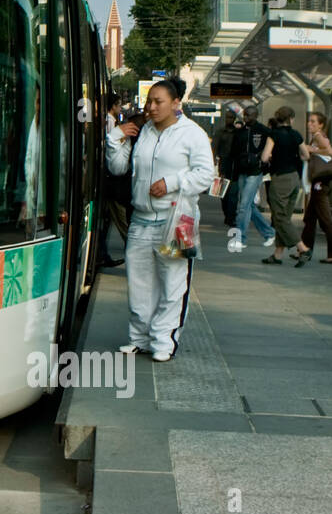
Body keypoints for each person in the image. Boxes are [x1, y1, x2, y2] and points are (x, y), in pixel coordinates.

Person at [106, 76, 214, 362]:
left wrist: (173, 182)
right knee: (139, 282)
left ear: (176, 103)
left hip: (178, 219)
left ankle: (164, 340)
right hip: (141, 219)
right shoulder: (143, 132)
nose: (151, 107)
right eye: (149, 102)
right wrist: (116, 138)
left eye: (158, 102)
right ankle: (139, 337)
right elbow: (117, 168)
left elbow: (206, 175)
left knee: (173, 283)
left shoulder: (192, 134)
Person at [291, 111, 332, 265]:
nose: (310, 124)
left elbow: (329, 151)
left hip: (320, 184)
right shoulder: (315, 137)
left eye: (314, 122)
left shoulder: (318, 136)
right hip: (318, 183)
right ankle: (304, 250)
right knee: (309, 219)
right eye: (309, 121)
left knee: (325, 220)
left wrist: (311, 149)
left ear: (321, 124)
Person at [228, 105, 276, 251]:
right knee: (248, 205)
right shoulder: (240, 132)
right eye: (244, 115)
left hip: (255, 172)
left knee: (243, 206)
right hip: (242, 171)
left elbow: (273, 146)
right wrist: (232, 173)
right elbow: (234, 153)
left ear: (255, 115)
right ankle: (269, 233)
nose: (245, 117)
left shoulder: (264, 131)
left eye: (248, 115)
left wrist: (265, 164)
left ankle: (240, 238)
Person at [262, 106, 304, 263]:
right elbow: (305, 154)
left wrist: (274, 156)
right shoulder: (296, 135)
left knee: (279, 217)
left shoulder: (274, 135)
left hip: (280, 178)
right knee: (285, 216)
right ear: (291, 119)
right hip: (295, 178)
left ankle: (303, 248)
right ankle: (278, 254)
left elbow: (265, 157)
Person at [98, 91, 129, 267]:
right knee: (118, 219)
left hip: (111, 182)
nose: (120, 108)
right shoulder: (110, 122)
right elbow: (111, 147)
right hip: (112, 181)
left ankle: (103, 254)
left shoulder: (111, 121)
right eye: (118, 105)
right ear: (113, 106)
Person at [211, 103, 240, 226]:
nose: (229, 120)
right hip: (223, 163)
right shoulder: (220, 132)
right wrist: (213, 160)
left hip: (235, 164)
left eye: (231, 118)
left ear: (234, 119)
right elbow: (214, 147)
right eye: (227, 117)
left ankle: (231, 216)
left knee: (233, 192)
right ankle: (227, 214)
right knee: (223, 193)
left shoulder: (238, 132)